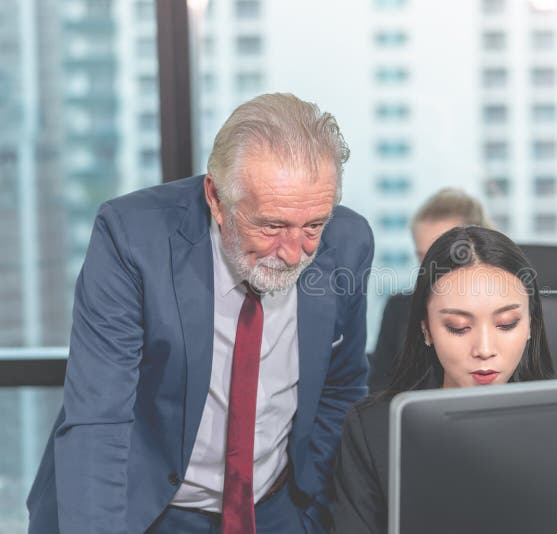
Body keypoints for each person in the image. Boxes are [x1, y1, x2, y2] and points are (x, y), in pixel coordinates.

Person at [26, 93, 374, 533]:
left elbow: (341, 389)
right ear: (215, 197)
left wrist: (314, 515)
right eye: (270, 225)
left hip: (278, 507)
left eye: (313, 226)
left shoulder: (349, 243)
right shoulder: (132, 239)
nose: (292, 253)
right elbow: (99, 417)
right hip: (145, 508)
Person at [332, 226, 553, 533]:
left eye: (507, 324)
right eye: (459, 327)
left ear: (530, 324)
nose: (484, 350)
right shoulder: (373, 430)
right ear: (426, 329)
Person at [368, 188, 492, 391]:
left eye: (443, 254)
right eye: (422, 256)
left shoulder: (508, 312)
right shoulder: (400, 309)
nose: (430, 267)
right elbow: (379, 390)